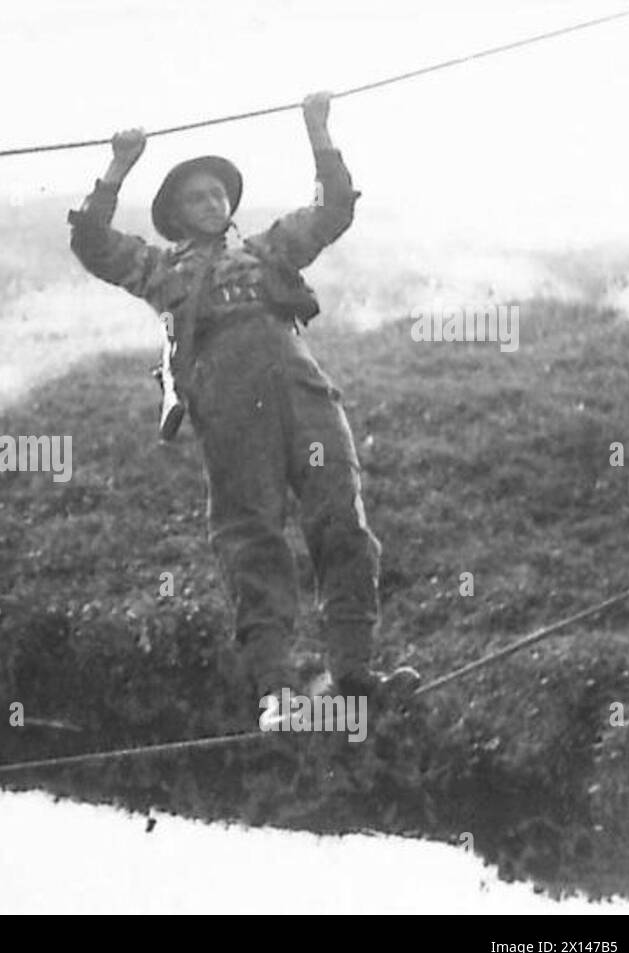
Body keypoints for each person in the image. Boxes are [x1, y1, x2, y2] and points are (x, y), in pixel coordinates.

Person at [68, 93, 416, 725]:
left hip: (301, 389)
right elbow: (91, 243)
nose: (212, 203)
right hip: (229, 404)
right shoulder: (155, 266)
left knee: (343, 517)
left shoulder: (269, 250)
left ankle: (355, 673)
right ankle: (277, 691)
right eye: (196, 197)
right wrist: (119, 166)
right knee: (252, 537)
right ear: (175, 214)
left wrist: (319, 129)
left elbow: (333, 210)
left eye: (217, 193)